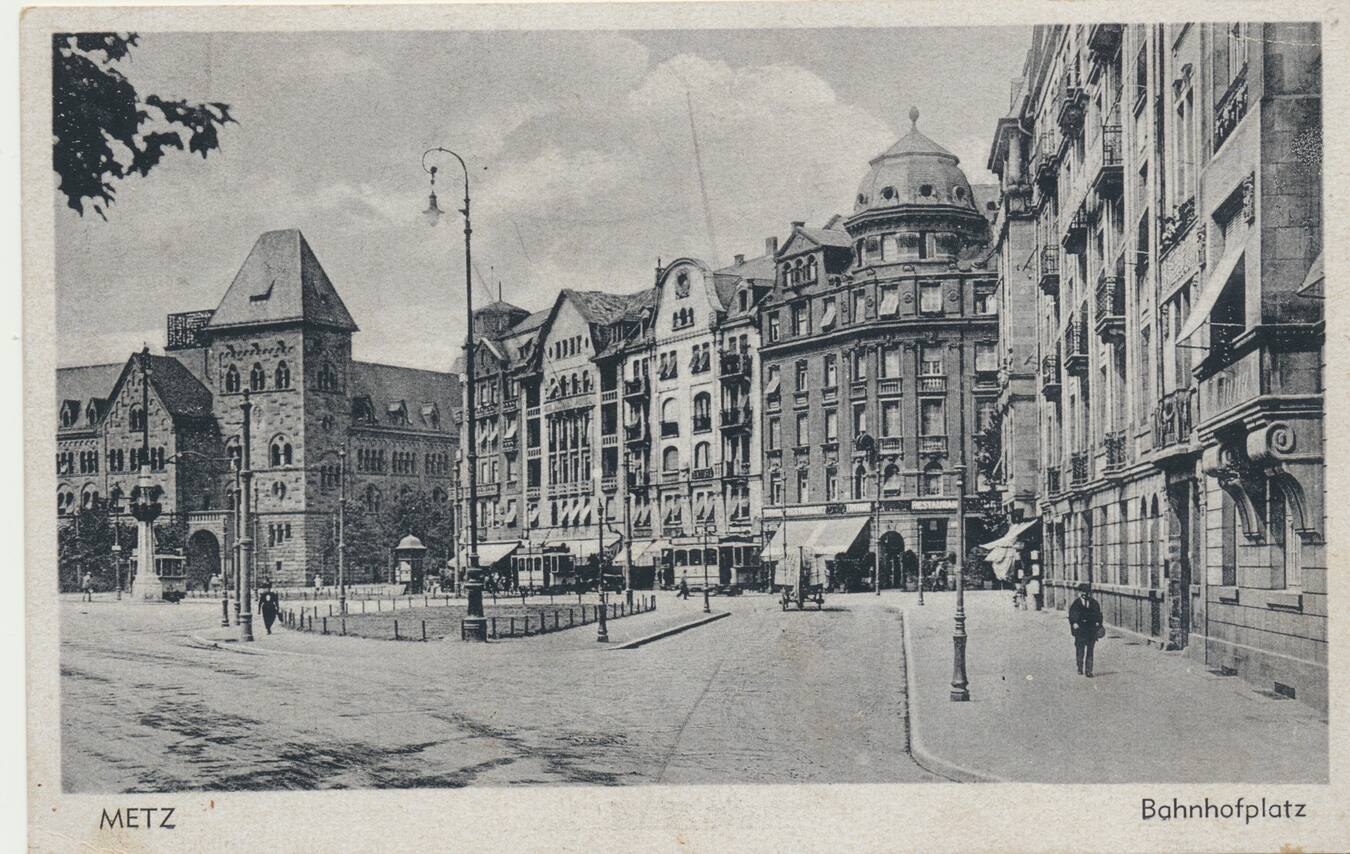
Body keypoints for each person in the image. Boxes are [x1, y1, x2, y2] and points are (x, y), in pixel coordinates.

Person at [1068, 582, 1103, 677]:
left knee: (1090, 650)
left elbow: (1098, 615)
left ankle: (1089, 670)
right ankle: (1080, 667)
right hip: (1080, 631)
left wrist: (1098, 623)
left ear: (1089, 593)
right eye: (1083, 592)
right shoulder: (1076, 604)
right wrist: (1074, 623)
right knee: (1080, 650)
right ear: (1079, 592)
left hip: (1091, 630)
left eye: (1087, 592)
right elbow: (1072, 615)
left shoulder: (1094, 603)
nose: (1085, 594)